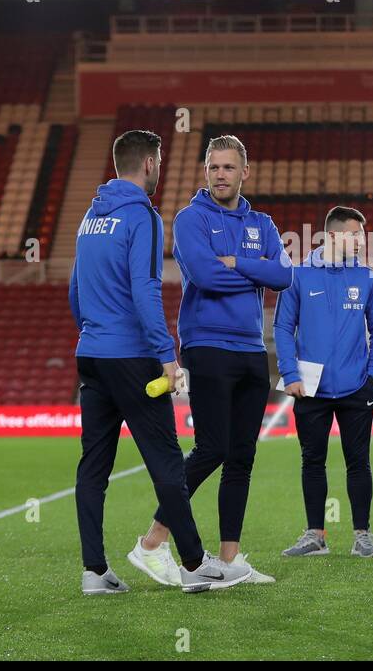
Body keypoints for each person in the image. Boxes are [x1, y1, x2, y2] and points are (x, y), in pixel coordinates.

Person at [70, 130, 247, 594]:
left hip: (91, 354)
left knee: (93, 466)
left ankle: (94, 572)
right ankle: (192, 563)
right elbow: (145, 289)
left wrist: (92, 333)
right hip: (131, 356)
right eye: (160, 161)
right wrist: (166, 357)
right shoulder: (143, 218)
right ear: (149, 164)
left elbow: (76, 289)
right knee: (167, 461)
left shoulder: (90, 216)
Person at [136, 135, 293, 585]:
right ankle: (151, 542)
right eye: (213, 167)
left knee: (242, 455)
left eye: (228, 167)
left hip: (251, 349)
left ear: (245, 172)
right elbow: (204, 274)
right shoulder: (190, 218)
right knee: (212, 448)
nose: (220, 174)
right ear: (206, 171)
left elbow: (282, 274)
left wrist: (235, 262)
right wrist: (251, 266)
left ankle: (229, 559)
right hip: (207, 345)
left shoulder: (261, 222)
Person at [274, 206, 373, 559]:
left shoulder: (368, 278)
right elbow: (282, 327)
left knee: (359, 462)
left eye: (362, 235)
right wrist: (290, 374)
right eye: (353, 235)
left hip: (356, 387)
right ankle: (315, 535)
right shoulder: (298, 275)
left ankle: (363, 536)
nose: (359, 241)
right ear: (333, 235)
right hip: (311, 389)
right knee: (312, 461)